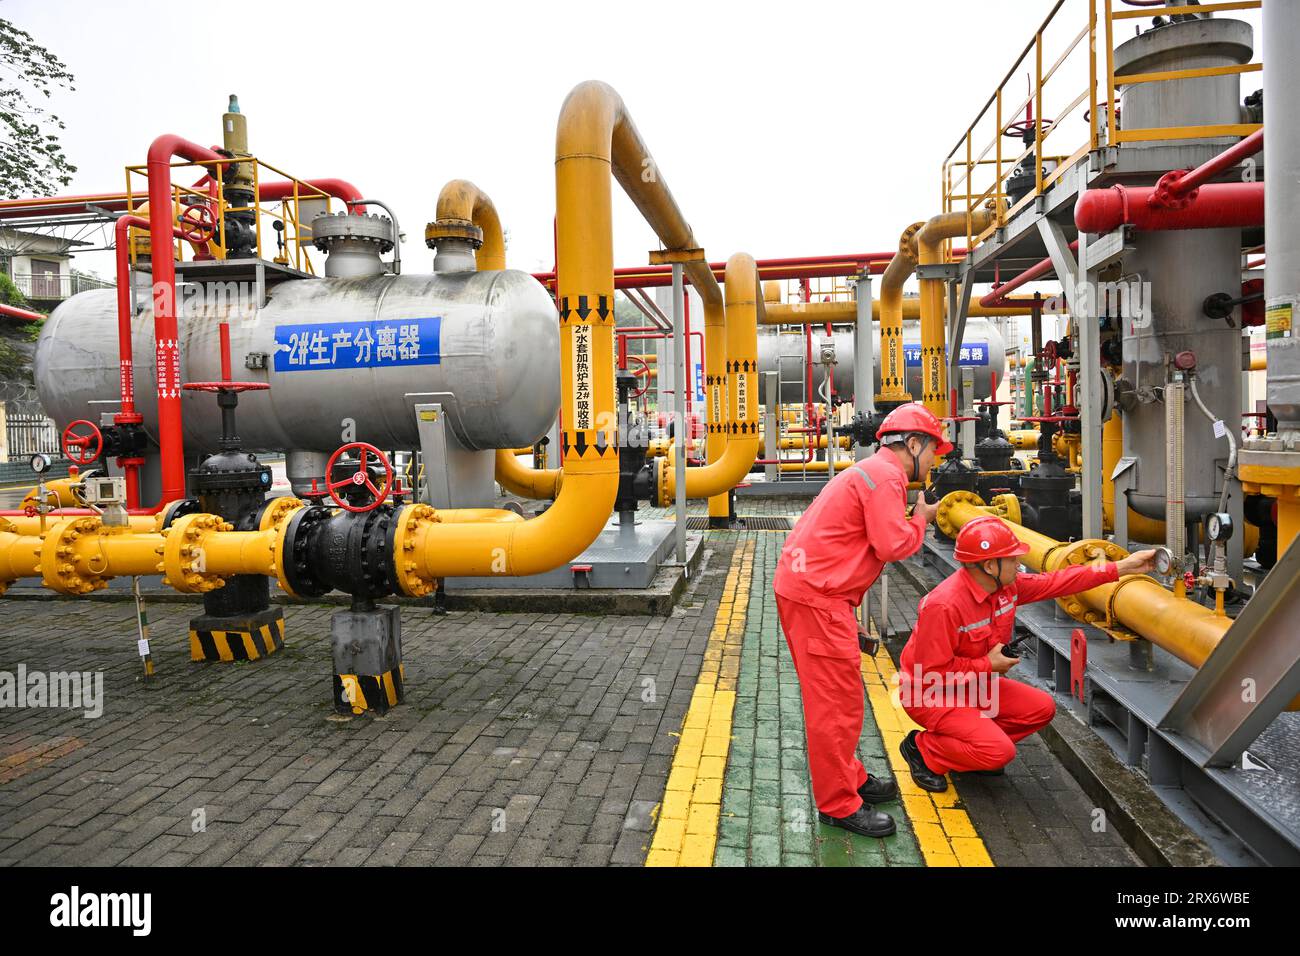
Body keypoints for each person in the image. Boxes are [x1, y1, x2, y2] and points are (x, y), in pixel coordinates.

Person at [773, 402, 951, 838]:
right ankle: (837, 803)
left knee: (841, 699)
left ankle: (848, 776)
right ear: (913, 444)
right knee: (836, 705)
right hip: (818, 598)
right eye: (933, 450)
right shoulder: (887, 478)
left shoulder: (871, 471)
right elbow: (891, 545)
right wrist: (921, 519)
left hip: (814, 593)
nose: (934, 460)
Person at [898, 516, 1158, 792]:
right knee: (999, 752)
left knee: (1041, 708)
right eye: (1012, 559)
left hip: (972, 685)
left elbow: (1059, 581)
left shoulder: (1005, 587)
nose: (1019, 563)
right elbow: (929, 673)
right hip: (929, 693)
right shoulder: (944, 606)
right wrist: (987, 664)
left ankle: (970, 751)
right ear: (990, 566)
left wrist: (1124, 566)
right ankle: (924, 749)